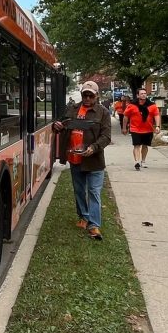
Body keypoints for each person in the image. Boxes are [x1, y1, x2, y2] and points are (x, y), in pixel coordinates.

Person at [52, 80, 112, 240]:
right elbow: (63, 125)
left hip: (94, 160)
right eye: (84, 94)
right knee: (79, 190)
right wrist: (57, 126)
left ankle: (94, 226)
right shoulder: (72, 109)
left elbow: (106, 136)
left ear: (96, 96)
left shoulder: (103, 112)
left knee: (93, 191)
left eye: (90, 95)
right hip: (75, 157)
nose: (87, 98)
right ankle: (84, 216)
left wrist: (93, 148)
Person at [122, 88, 161, 170]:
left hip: (148, 129)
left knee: (145, 146)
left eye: (145, 93)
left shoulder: (152, 105)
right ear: (137, 95)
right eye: (141, 93)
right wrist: (124, 127)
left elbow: (156, 115)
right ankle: (137, 161)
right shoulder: (132, 105)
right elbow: (125, 117)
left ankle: (143, 161)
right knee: (136, 145)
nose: (144, 95)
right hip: (135, 129)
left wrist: (157, 126)